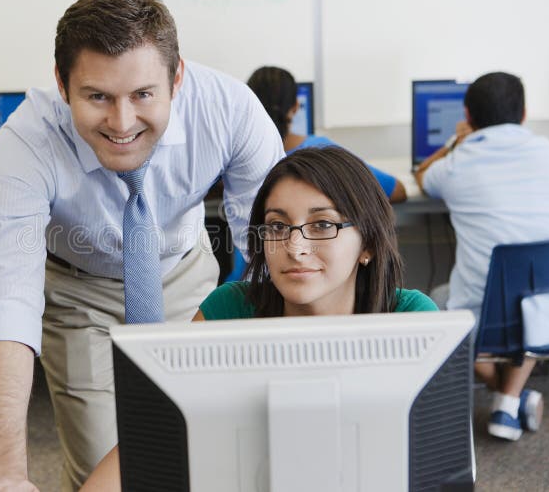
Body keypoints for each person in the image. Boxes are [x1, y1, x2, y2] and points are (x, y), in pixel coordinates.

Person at [0, 0, 284, 491]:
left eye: (142, 95)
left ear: (176, 76)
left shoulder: (227, 110)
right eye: (97, 96)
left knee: (207, 450)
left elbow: (273, 247)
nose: (121, 123)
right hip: (78, 292)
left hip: (187, 277)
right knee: (109, 470)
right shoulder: (28, 139)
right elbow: (6, 294)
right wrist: (6, 475)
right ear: (63, 83)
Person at [80, 146, 436, 491]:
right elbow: (154, 432)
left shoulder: (409, 318)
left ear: (368, 244)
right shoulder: (230, 311)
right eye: (277, 226)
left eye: (323, 224)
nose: (295, 248)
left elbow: (435, 462)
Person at [415, 71, 549, 441]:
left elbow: (422, 176)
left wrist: (454, 143)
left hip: (484, 320)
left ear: (467, 115)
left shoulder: (457, 164)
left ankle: (507, 395)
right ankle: (509, 402)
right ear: (525, 113)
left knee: (439, 303)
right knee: (527, 303)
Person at [246, 66, 407, 203]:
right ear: (295, 106)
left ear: (249, 107)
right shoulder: (322, 150)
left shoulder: (237, 158)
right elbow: (396, 190)